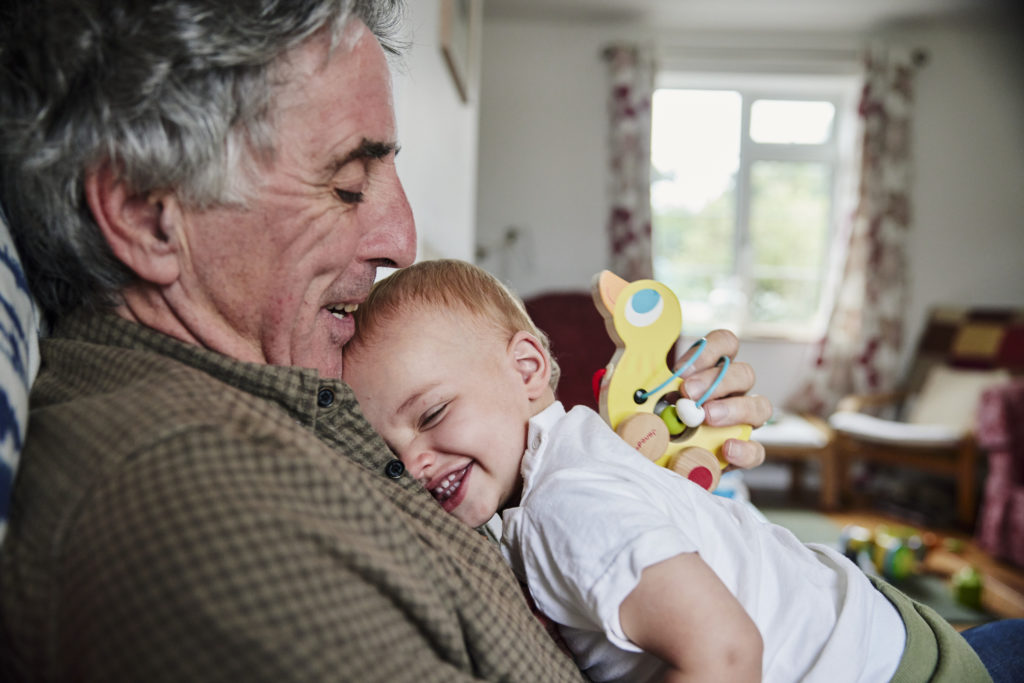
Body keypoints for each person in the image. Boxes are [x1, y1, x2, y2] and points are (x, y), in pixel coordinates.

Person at [0, 1, 772, 680]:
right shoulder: (202, 509)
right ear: (145, 214)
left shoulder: (290, 376)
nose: (402, 240)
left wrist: (627, 464)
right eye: (346, 183)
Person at [343, 259, 1017, 683]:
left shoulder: (565, 507)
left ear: (526, 370)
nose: (410, 460)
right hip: (872, 622)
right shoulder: (576, 449)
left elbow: (726, 656)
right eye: (386, 448)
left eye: (430, 413)